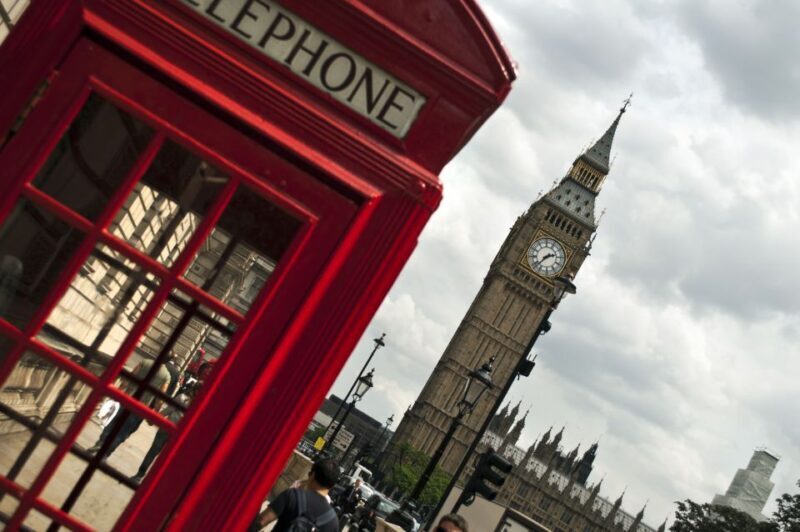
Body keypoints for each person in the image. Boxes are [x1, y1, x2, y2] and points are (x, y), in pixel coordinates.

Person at [88, 356, 172, 456]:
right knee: (124, 431)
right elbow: (160, 398)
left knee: (113, 422)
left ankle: (100, 442)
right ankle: (106, 453)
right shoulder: (166, 375)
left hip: (127, 399)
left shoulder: (145, 362)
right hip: (141, 407)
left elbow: (130, 377)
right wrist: (155, 414)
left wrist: (119, 390)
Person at [251, 459, 339, 532]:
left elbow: (261, 521)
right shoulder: (333, 521)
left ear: (312, 475)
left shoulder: (293, 495)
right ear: (332, 486)